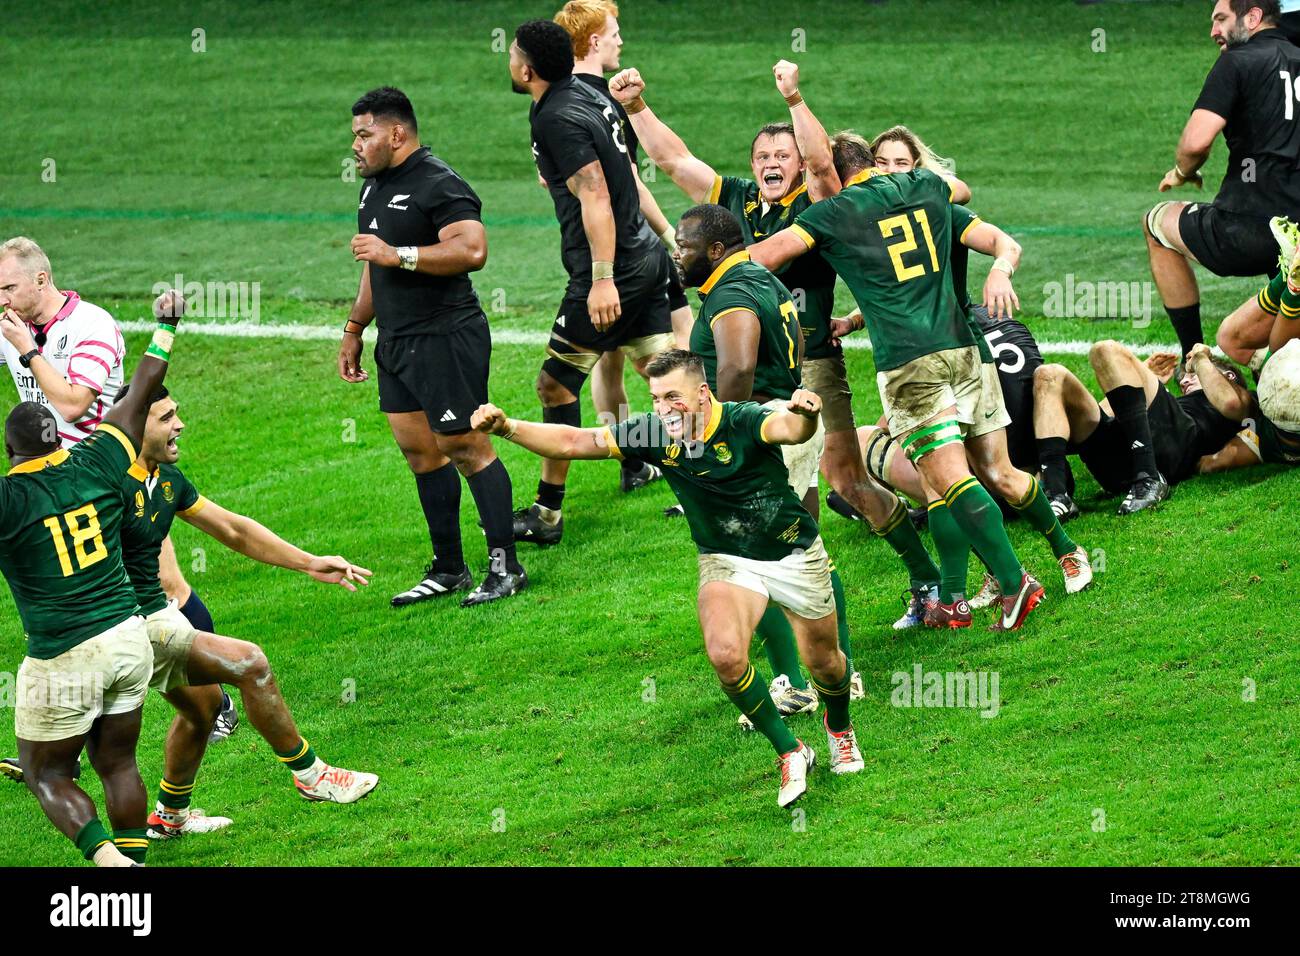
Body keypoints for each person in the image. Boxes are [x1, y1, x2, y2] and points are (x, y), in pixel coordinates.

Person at [609, 64, 946, 631]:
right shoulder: (734, 204)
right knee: (788, 508)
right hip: (757, 374)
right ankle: (806, 622)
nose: (770, 163)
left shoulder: (821, 201)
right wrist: (638, 108)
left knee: (847, 480)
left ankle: (923, 580)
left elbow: (820, 163)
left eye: (781, 155)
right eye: (762, 155)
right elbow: (674, 163)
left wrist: (793, 97)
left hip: (809, 366)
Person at [471, 350, 864, 808]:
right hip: (726, 558)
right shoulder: (654, 431)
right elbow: (577, 442)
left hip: (792, 552)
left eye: (672, 397)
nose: (662, 408)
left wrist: (805, 416)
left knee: (826, 665)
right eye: (656, 398)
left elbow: (787, 429)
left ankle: (839, 727)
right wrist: (508, 428)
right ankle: (791, 750)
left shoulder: (741, 420)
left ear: (702, 393)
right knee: (725, 656)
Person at [750, 133, 1045, 632]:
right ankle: (959, 595)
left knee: (950, 480)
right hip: (963, 348)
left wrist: (712, 269)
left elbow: (766, 257)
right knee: (975, 476)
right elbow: (962, 190)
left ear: (828, 176)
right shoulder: (927, 186)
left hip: (911, 365)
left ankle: (1014, 582)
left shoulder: (833, 212)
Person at [0, 238, 232, 736]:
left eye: (8, 287)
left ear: (41, 280)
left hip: (114, 476)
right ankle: (63, 732)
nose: (1, 298)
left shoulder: (92, 327)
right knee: (69, 606)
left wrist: (27, 351)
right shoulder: (13, 326)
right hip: (57, 484)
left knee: (165, 587)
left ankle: (216, 699)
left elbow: (71, 406)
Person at [0, 288, 181, 866]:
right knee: (119, 763)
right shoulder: (100, 459)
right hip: (129, 641)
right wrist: (166, 327)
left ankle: (108, 862)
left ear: (10, 452)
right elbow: (140, 390)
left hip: (64, 654)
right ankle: (134, 867)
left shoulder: (8, 499)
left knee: (45, 770)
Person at [674, 203, 861, 719]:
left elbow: (737, 366)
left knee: (760, 560)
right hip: (786, 422)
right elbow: (798, 342)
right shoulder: (763, 277)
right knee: (803, 552)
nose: (676, 253)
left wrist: (721, 440)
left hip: (763, 435)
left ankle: (794, 681)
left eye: (683, 246)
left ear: (715, 251)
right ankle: (837, 669)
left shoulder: (731, 293)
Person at [341, 87, 525, 607]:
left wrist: (395, 253)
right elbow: (375, 266)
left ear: (396, 133)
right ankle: (449, 568)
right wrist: (356, 328)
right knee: (420, 452)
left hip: (445, 336)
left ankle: (505, 567)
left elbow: (473, 249)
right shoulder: (373, 187)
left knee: (466, 446)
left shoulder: (438, 182)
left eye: (364, 134)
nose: (356, 145)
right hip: (397, 341)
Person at [508, 20, 676, 547]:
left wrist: (601, 280)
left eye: (513, 54)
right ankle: (717, 470)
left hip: (613, 269)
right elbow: (615, 163)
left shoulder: (556, 115)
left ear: (528, 69)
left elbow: (597, 194)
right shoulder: (584, 93)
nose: (508, 60)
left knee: (554, 386)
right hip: (643, 256)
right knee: (668, 377)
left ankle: (548, 514)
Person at [554, 0, 693, 495]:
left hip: (615, 257)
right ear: (592, 41)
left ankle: (640, 461)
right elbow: (615, 184)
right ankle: (671, 458)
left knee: (617, 358)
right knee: (650, 358)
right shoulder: (588, 103)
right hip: (624, 259)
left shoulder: (564, 100)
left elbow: (623, 181)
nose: (619, 41)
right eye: (614, 33)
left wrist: (667, 236)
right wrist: (662, 239)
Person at [1143, 0, 1300, 358]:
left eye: (1220, 20)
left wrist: (1183, 171)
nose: (1214, 31)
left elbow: (1196, 142)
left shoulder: (1237, 61)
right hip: (1297, 231)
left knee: (1155, 225)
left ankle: (1192, 358)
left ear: (1253, 17)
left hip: (1247, 229)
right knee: (1280, 339)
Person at [1032, 343, 1253, 511]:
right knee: (1048, 375)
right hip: (1117, 468)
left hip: (1177, 447)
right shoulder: (1177, 404)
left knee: (1105, 349)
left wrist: (1201, 358)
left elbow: (1231, 404)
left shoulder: (1241, 399)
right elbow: (1100, 417)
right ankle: (1057, 496)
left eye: (1192, 374)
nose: (1185, 381)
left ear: (1229, 375)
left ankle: (1149, 478)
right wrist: (1134, 376)